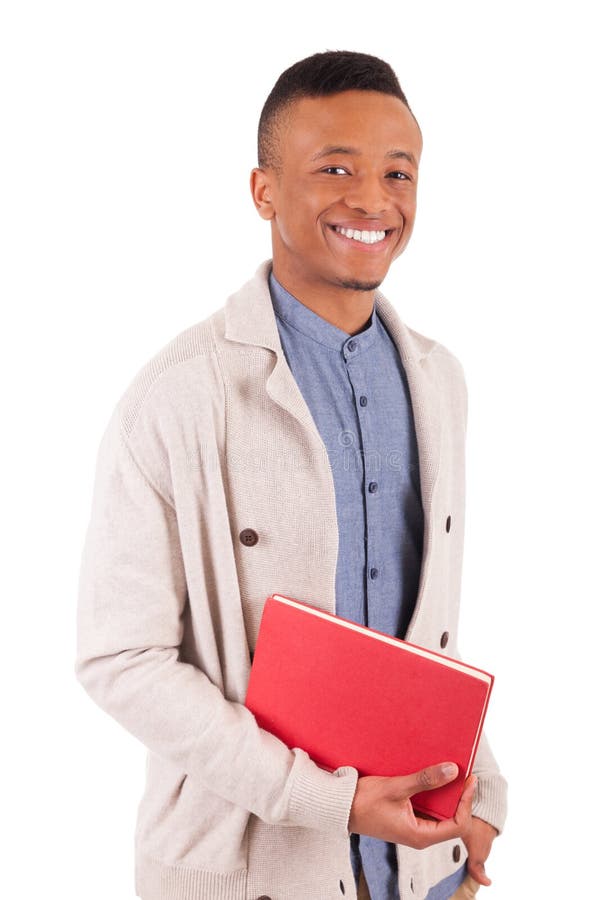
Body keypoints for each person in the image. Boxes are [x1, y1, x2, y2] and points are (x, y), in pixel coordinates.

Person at [75, 50, 507, 900]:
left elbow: (424, 628)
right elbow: (120, 657)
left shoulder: (439, 379)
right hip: (251, 872)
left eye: (398, 172)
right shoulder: (181, 396)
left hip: (417, 869)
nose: (373, 200)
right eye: (335, 168)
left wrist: (476, 789)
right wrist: (328, 799)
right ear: (263, 190)